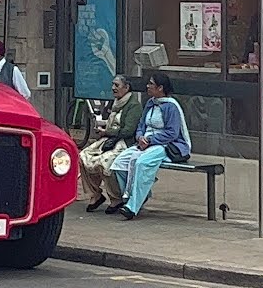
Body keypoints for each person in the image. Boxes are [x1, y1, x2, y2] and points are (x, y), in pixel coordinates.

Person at [106, 72, 191, 220]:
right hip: (145, 143)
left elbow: (172, 133)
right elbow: (141, 125)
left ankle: (132, 206)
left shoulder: (171, 107)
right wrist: (140, 137)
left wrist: (150, 140)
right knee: (119, 163)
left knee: (142, 163)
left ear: (160, 88)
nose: (147, 86)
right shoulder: (150, 103)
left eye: (151, 84)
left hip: (165, 145)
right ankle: (138, 195)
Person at [78, 75, 140, 213]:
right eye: (113, 84)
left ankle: (116, 198)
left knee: (105, 163)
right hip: (109, 140)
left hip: (123, 143)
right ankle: (95, 194)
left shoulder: (134, 106)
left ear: (126, 87)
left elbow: (128, 131)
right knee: (83, 156)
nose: (113, 88)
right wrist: (104, 128)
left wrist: (107, 132)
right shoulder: (116, 102)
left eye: (116, 85)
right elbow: (113, 124)